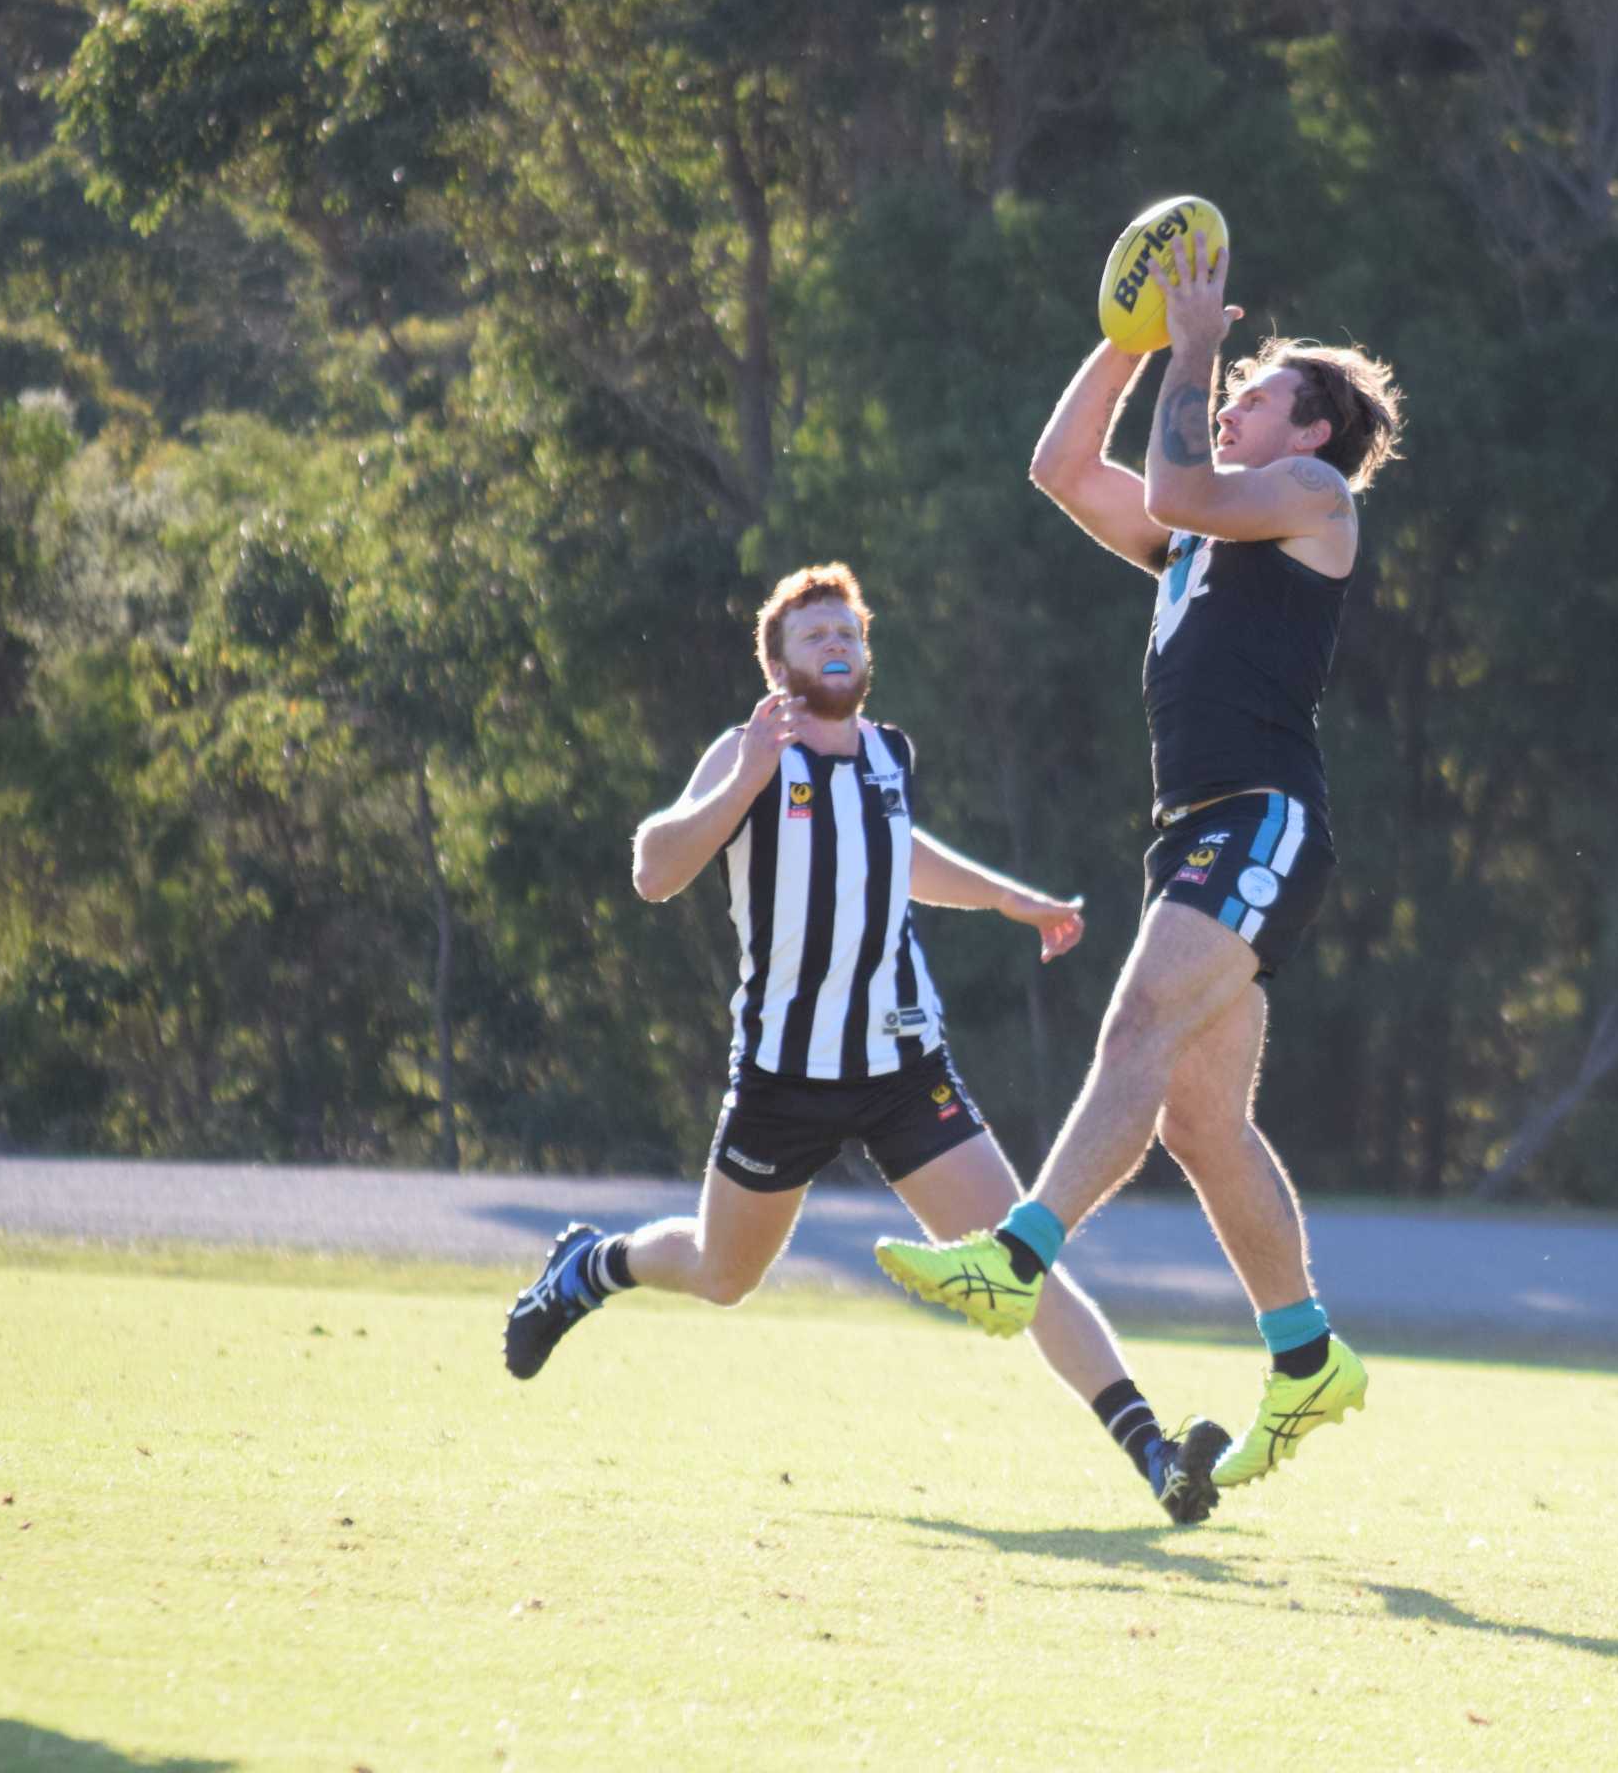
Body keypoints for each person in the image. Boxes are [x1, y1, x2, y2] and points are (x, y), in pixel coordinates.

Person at [502, 562, 1228, 1523]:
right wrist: (745, 779)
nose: (836, 644)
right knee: (723, 1275)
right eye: (814, 636)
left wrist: (1008, 899)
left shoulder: (889, 753)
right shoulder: (750, 752)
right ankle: (593, 1267)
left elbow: (897, 853)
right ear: (777, 667)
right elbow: (652, 870)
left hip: (902, 1071)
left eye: (848, 631)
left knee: (1020, 1260)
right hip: (785, 1078)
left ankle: (1156, 1456)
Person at [877, 234, 1402, 1494]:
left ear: (1312, 433)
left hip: (1261, 820)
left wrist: (1197, 345)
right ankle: (1307, 1354)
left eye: (1259, 393)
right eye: (1234, 383)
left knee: (1136, 1028)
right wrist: (1129, 340)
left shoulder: (1313, 499)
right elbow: (1061, 469)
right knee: (1200, 1121)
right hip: (1201, 831)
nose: (1231, 399)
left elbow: (1172, 483)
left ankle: (1015, 1259)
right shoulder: (1196, 540)